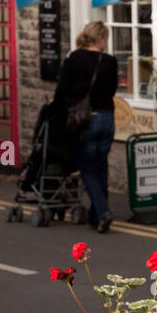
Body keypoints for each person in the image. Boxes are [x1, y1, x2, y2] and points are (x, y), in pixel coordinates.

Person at [53, 21, 118, 232]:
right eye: (106, 38)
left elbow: (61, 90)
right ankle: (95, 218)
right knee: (101, 167)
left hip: (85, 120)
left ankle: (103, 211)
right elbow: (112, 90)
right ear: (100, 39)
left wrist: (56, 112)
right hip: (106, 118)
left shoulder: (74, 59)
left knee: (88, 168)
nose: (106, 42)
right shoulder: (109, 62)